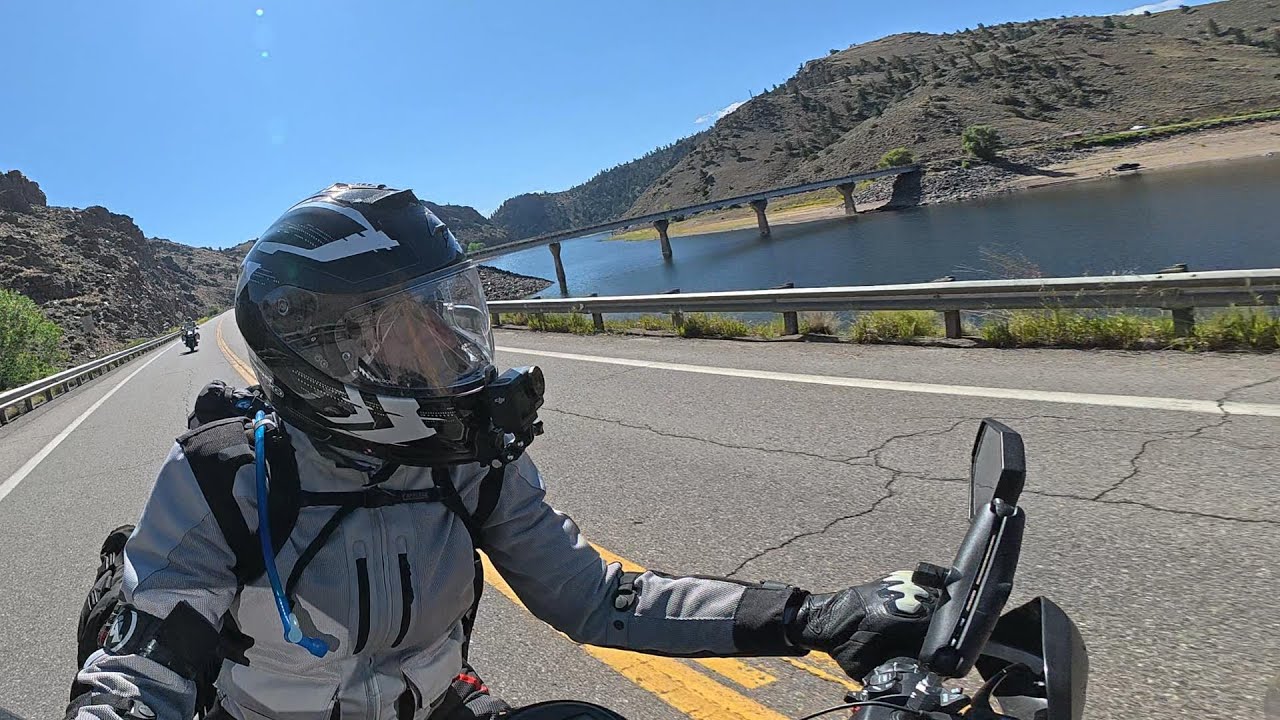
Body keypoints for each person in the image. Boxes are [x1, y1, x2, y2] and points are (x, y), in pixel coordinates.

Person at [67, 183, 937, 720]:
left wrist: (815, 617)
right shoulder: (227, 478)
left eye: (454, 306)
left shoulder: (467, 457)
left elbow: (597, 597)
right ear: (332, 348)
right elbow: (138, 677)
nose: (453, 339)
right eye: (417, 321)